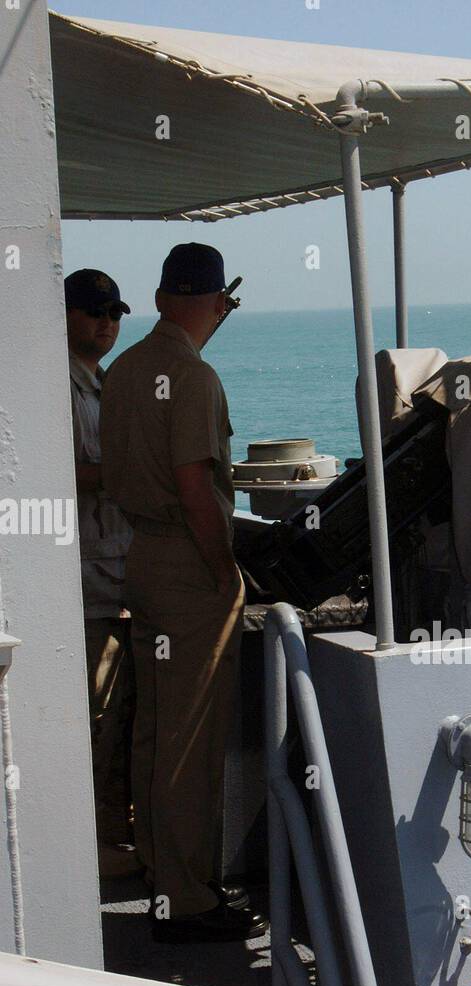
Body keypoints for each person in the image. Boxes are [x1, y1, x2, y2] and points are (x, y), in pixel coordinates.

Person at [100, 244, 266, 943]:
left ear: (164, 297)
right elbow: (198, 486)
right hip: (187, 566)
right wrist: (224, 570)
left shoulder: (124, 371)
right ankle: (189, 898)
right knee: (190, 738)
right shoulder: (191, 377)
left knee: (153, 730)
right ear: (216, 304)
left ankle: (162, 875)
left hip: (141, 555)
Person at [65, 269, 138, 878]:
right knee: (95, 713)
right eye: (94, 311)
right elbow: (58, 469)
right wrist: (132, 470)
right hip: (87, 579)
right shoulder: (57, 386)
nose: (106, 321)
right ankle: (87, 843)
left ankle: (112, 831)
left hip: (115, 575)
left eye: (114, 312)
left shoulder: (101, 382)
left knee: (115, 713)